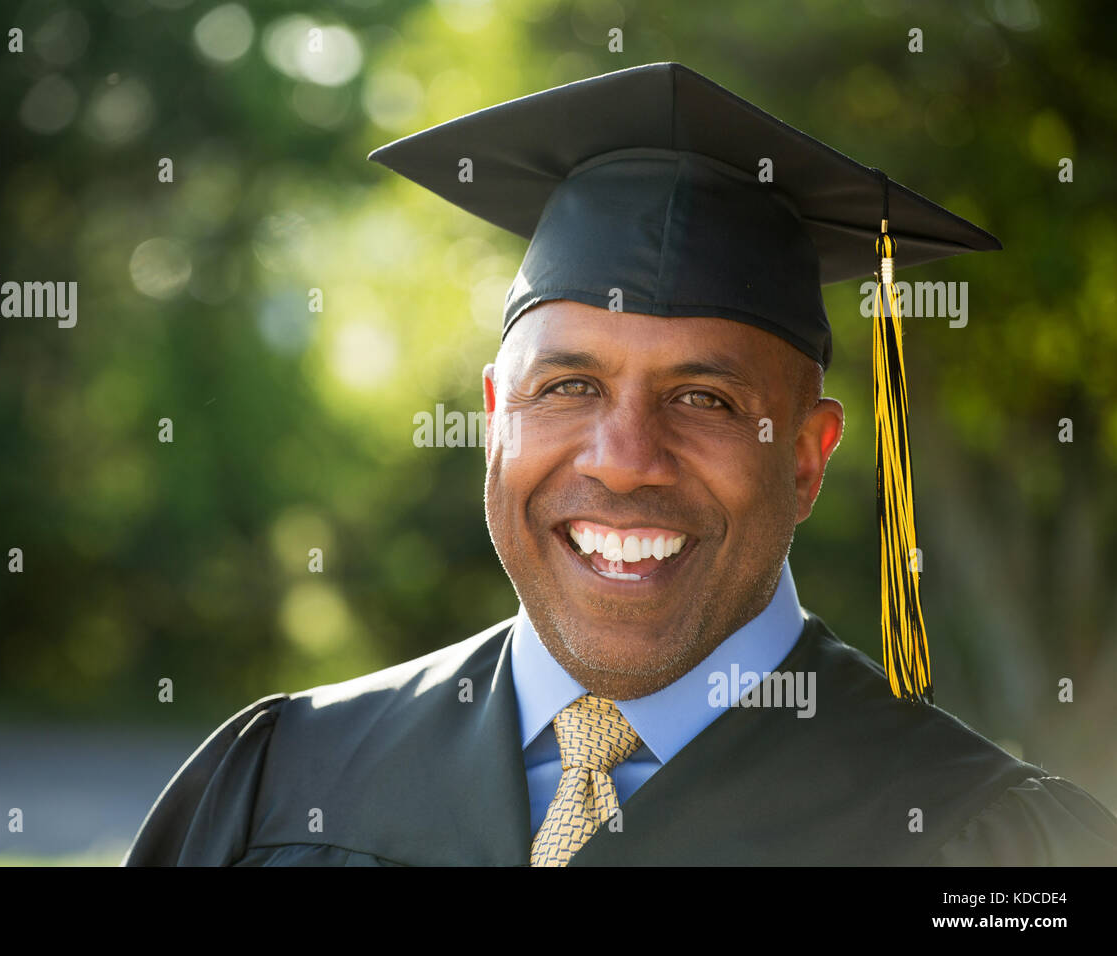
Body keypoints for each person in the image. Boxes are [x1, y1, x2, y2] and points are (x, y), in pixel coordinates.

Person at [124, 62, 1117, 866]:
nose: (627, 459)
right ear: (492, 417)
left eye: (705, 399)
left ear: (808, 460)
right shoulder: (282, 786)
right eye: (567, 387)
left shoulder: (983, 843)